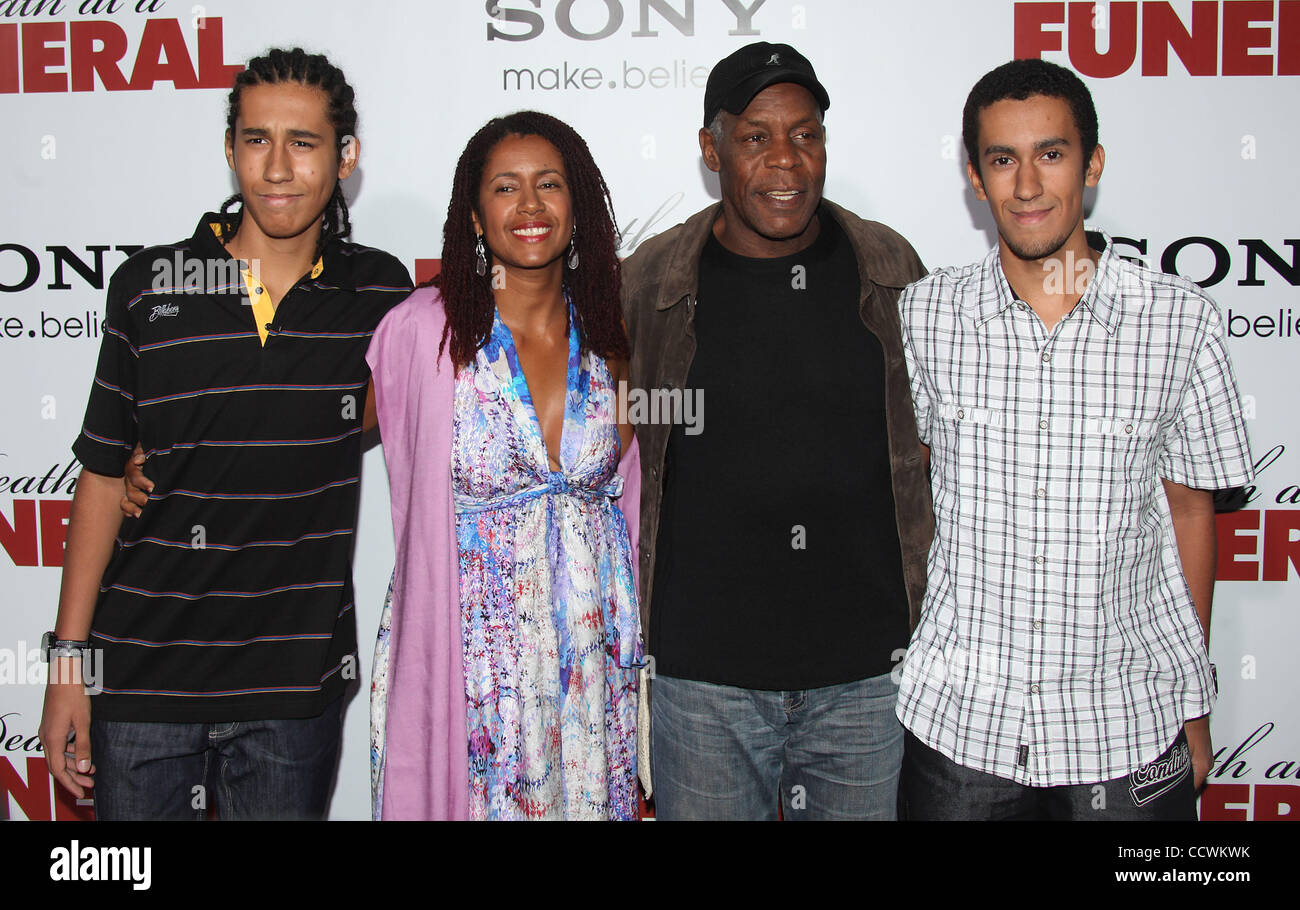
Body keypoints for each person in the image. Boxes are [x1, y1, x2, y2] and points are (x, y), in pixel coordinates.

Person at [38, 47, 413, 820]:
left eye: (303, 143)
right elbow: (106, 475)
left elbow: (411, 410)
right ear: (230, 148)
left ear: (346, 157)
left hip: (292, 684)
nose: (277, 167)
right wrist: (67, 666)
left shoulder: (379, 292)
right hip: (142, 675)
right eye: (255, 139)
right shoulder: (149, 286)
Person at [895, 58, 1253, 820]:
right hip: (961, 731)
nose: (1026, 185)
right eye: (1002, 159)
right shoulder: (923, 317)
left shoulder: (1179, 323)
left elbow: (1192, 514)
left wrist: (1192, 703)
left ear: (1091, 164)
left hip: (1126, 728)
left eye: (1051, 154)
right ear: (974, 175)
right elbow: (903, 493)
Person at [621, 42, 933, 820]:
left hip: (870, 680)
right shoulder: (649, 284)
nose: (786, 161)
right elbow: (618, 447)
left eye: (806, 134)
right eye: (756, 137)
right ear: (711, 149)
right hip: (702, 686)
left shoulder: (890, 268)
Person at [366, 111, 644, 821]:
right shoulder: (424, 331)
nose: (529, 207)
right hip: (473, 661)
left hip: (592, 661)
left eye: (549, 185)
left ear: (578, 206)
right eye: (506, 188)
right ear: (474, 214)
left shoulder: (614, 339)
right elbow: (321, 434)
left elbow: (634, 499)